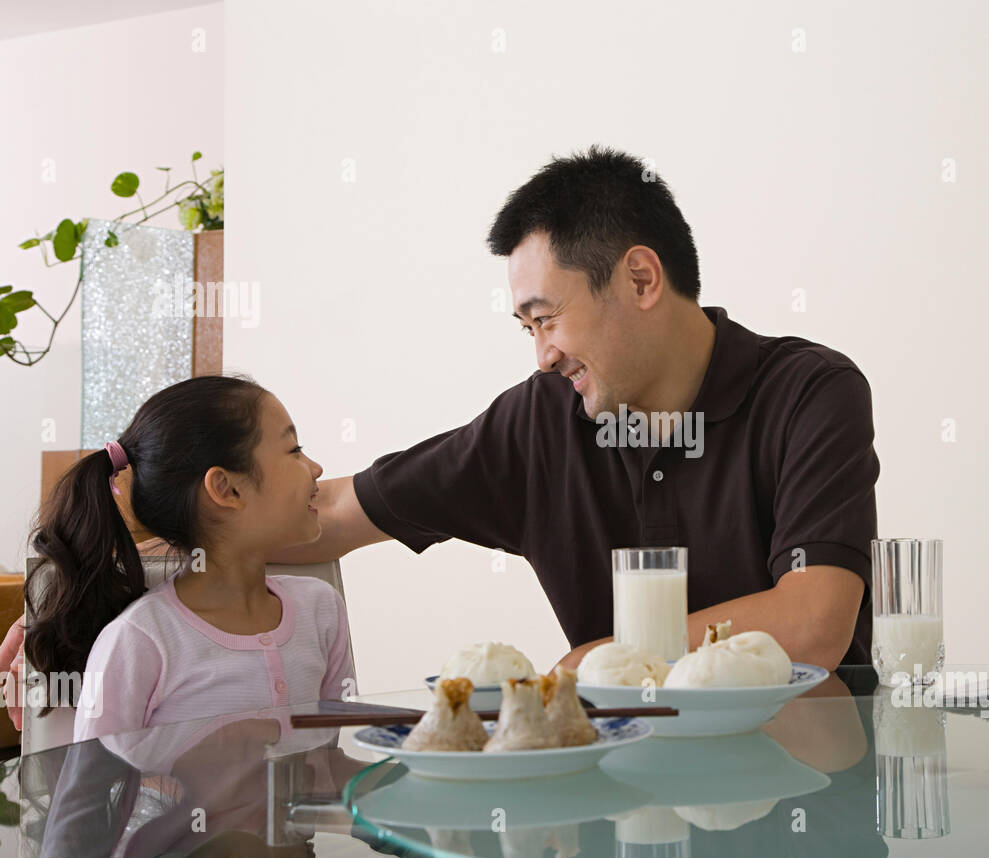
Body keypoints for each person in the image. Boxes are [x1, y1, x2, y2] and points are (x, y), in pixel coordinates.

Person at [262, 145, 881, 671]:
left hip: (811, 792)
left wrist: (587, 663)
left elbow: (813, 621)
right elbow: (335, 515)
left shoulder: (809, 392)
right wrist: (186, 522)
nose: (543, 356)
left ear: (640, 279)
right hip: (619, 798)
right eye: (525, 327)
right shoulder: (538, 423)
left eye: (547, 318)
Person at [8, 374, 354, 740]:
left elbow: (339, 753)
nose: (316, 469)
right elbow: (86, 795)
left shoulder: (322, 608)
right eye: (294, 450)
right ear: (226, 488)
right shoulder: (138, 640)